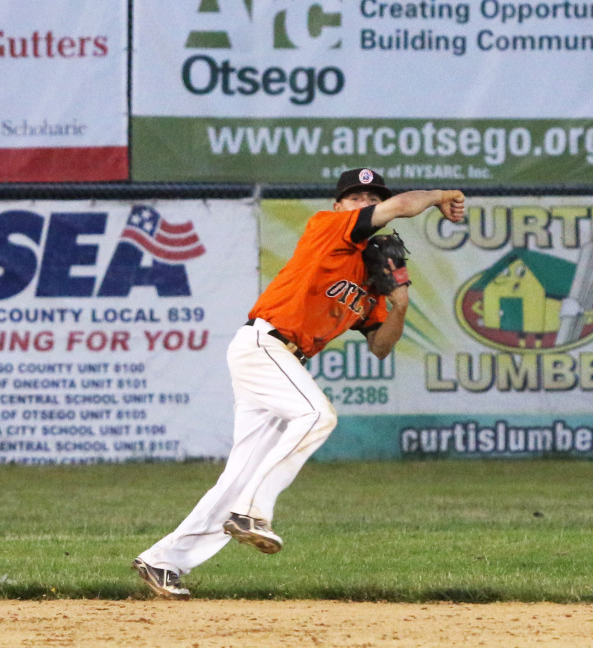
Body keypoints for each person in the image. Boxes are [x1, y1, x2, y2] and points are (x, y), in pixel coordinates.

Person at [132, 168, 466, 599]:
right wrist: (441, 194)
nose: (364, 202)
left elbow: (381, 346)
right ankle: (252, 514)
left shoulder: (371, 278)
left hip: (279, 359)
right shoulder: (328, 228)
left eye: (371, 195)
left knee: (240, 475)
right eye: (355, 196)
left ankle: (163, 561)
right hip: (264, 343)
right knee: (317, 416)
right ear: (338, 207)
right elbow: (401, 205)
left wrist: (399, 304)